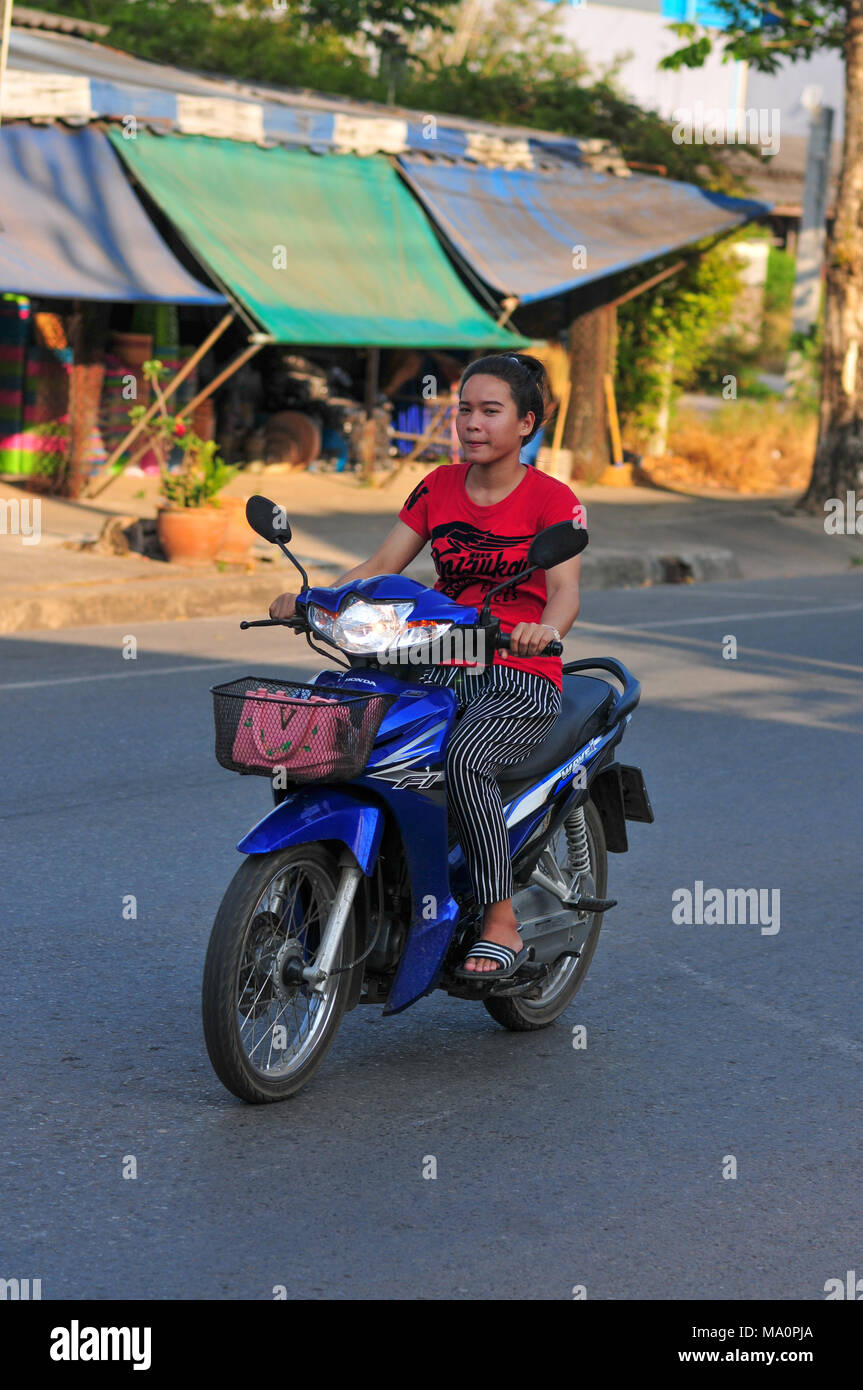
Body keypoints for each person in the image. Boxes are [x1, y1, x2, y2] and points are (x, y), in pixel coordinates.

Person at [269, 353, 582, 979]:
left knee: (465, 757)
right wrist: (314, 598)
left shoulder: (553, 499)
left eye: (491, 412)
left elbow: (566, 592)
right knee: (332, 724)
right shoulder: (437, 486)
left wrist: (543, 630)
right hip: (436, 655)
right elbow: (383, 564)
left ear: (527, 423)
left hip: (518, 671)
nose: (472, 423)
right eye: (464, 409)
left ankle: (500, 921)